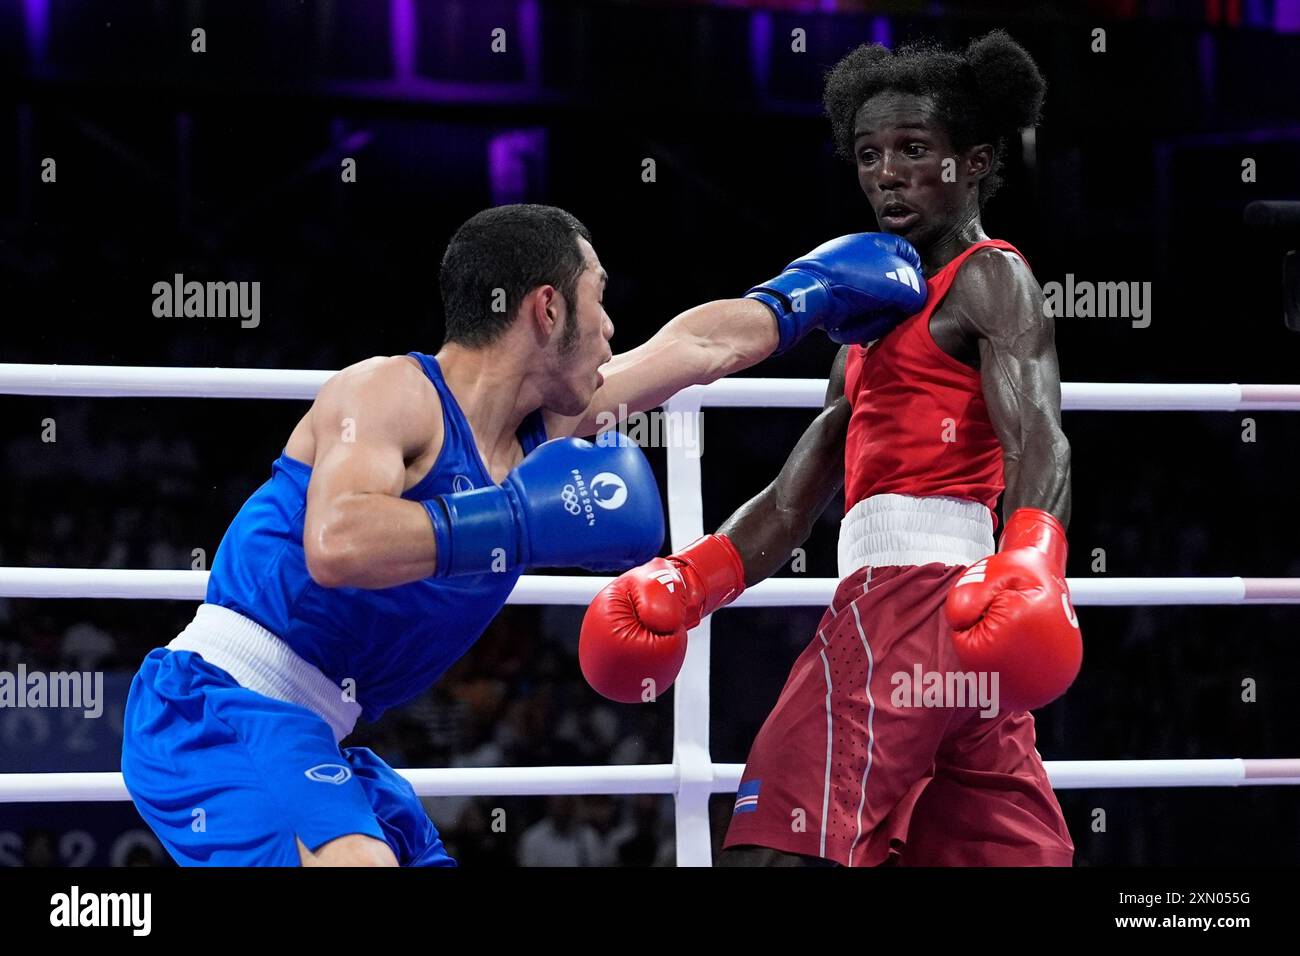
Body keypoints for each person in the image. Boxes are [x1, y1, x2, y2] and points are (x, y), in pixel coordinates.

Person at [121, 202, 926, 866]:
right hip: (221, 707)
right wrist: (515, 521)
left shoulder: (547, 431)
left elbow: (694, 348)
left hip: (317, 731)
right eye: (599, 298)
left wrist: (810, 294)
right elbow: (337, 542)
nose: (612, 326)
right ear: (547, 308)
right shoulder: (393, 392)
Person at [581, 32, 1081, 866]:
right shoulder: (866, 317)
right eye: (869, 154)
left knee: (775, 844)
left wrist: (1033, 557)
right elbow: (794, 497)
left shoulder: (990, 275)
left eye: (915, 150)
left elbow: (1041, 435)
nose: (887, 173)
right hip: (964, 634)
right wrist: (694, 579)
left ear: (976, 161)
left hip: (911, 605)